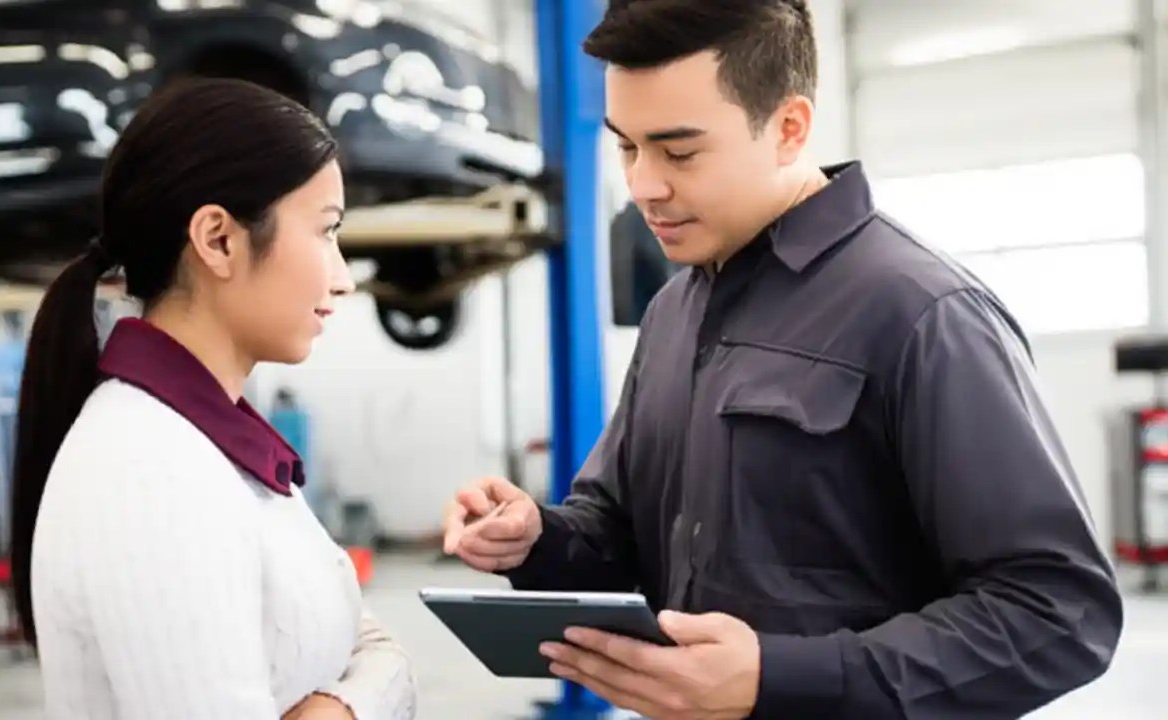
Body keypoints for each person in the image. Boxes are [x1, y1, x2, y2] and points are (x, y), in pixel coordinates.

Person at [442, 1, 1124, 718]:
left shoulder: (922, 315)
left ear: (789, 128)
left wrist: (783, 675)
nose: (643, 185)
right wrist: (536, 539)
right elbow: (619, 533)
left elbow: (1058, 612)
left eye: (679, 152)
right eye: (626, 147)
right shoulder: (675, 312)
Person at [9, 77, 416, 720]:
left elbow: (371, 645)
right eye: (326, 231)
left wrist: (341, 705)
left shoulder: (207, 445)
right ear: (219, 240)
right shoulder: (148, 471)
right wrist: (368, 690)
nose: (341, 280)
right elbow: (373, 657)